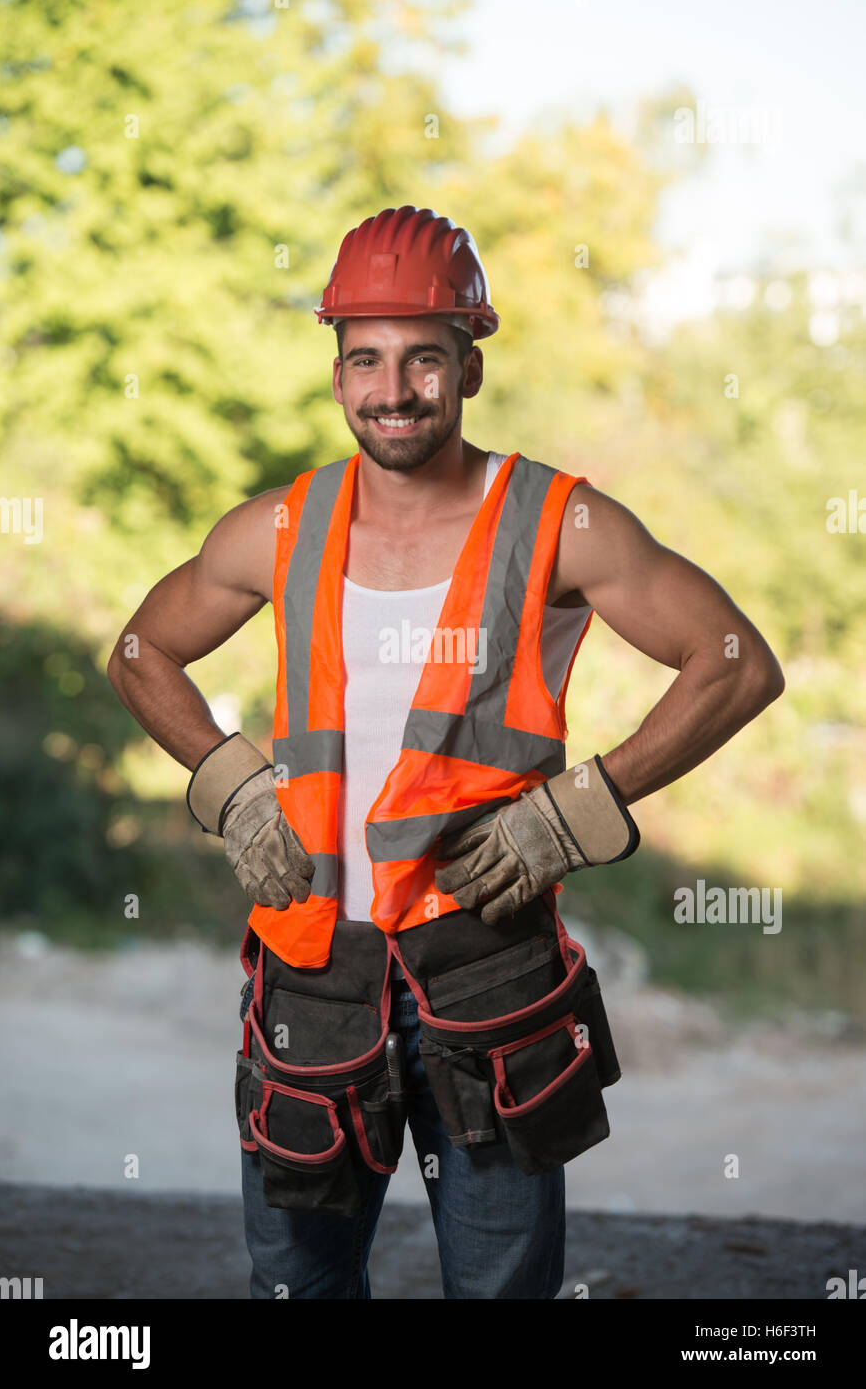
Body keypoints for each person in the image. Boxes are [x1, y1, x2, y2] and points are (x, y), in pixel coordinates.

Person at [107, 204, 785, 1299]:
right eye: (364, 359)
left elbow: (736, 661)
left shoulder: (560, 522)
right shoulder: (282, 527)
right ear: (336, 376)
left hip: (490, 979)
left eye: (425, 357)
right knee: (298, 1286)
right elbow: (142, 651)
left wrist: (576, 809)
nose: (394, 388)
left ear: (470, 363)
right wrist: (233, 789)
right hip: (315, 978)